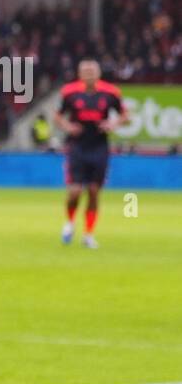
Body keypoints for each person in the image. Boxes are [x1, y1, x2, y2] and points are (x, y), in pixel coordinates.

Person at [52, 59, 123, 249]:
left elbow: (125, 115)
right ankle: (69, 223)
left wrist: (112, 124)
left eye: (92, 70)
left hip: (100, 147)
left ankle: (88, 234)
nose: (89, 73)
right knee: (75, 192)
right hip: (77, 147)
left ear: (98, 73)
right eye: (85, 70)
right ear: (80, 74)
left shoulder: (110, 93)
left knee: (93, 192)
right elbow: (58, 115)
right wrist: (68, 126)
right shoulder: (69, 92)